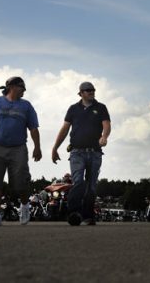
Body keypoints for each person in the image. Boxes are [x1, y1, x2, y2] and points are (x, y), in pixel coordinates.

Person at [0, 76, 42, 226]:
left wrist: (37, 147)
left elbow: (33, 128)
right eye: (22, 87)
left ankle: (25, 206)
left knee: (20, 182)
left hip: (18, 148)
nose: (24, 90)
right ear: (12, 87)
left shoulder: (26, 106)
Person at [51, 81, 111, 226]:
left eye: (93, 90)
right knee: (78, 182)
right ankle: (74, 214)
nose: (91, 92)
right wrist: (55, 148)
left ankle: (88, 217)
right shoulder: (73, 109)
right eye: (88, 90)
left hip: (95, 153)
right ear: (81, 93)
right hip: (77, 152)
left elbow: (106, 125)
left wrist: (104, 136)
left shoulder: (101, 107)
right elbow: (65, 129)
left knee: (91, 185)